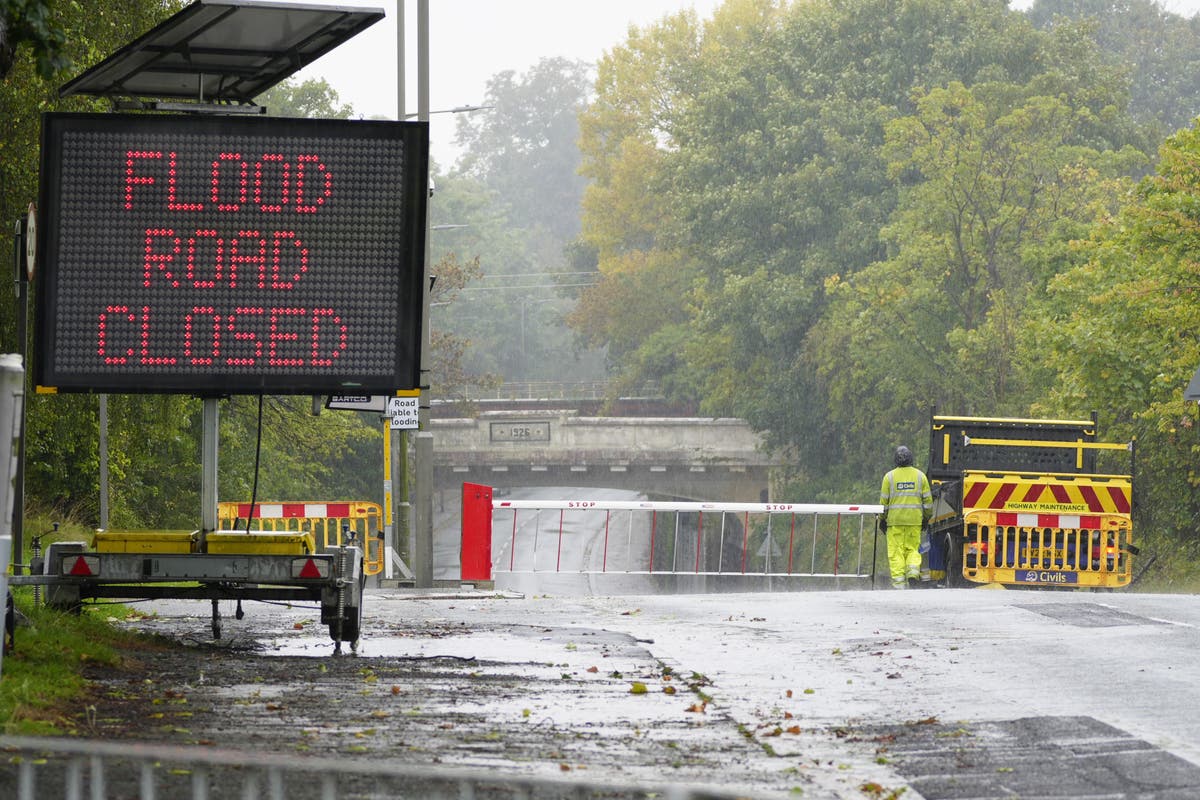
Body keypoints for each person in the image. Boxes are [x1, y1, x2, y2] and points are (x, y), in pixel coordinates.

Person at [879, 445, 932, 589]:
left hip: (894, 523)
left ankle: (899, 584)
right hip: (914, 522)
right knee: (913, 550)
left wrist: (882, 519)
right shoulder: (920, 477)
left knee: (896, 553)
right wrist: (926, 518)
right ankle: (913, 574)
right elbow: (928, 502)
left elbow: (884, 503)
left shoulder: (889, 477)